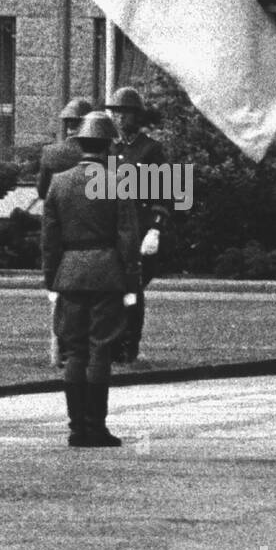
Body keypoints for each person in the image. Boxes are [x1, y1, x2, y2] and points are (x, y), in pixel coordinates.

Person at [42, 111, 141, 448]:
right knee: (100, 351)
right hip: (107, 274)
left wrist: (50, 282)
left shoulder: (59, 182)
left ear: (80, 143)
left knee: (75, 352)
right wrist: (131, 285)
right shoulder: (118, 182)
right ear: (108, 146)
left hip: (69, 274)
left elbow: (50, 240)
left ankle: (76, 429)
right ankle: (95, 427)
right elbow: (127, 239)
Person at [105, 85, 170, 363]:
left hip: (141, 229)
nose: (120, 119)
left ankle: (129, 343)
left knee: (133, 289)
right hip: (115, 230)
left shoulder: (151, 150)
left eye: (125, 113)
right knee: (113, 290)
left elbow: (165, 194)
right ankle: (114, 342)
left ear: (136, 116)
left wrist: (155, 229)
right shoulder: (110, 148)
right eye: (116, 113)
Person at [38, 95, 93, 368]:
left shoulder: (51, 153)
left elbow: (41, 191)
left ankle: (56, 350)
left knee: (58, 293)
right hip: (91, 232)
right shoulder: (100, 156)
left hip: (58, 227)